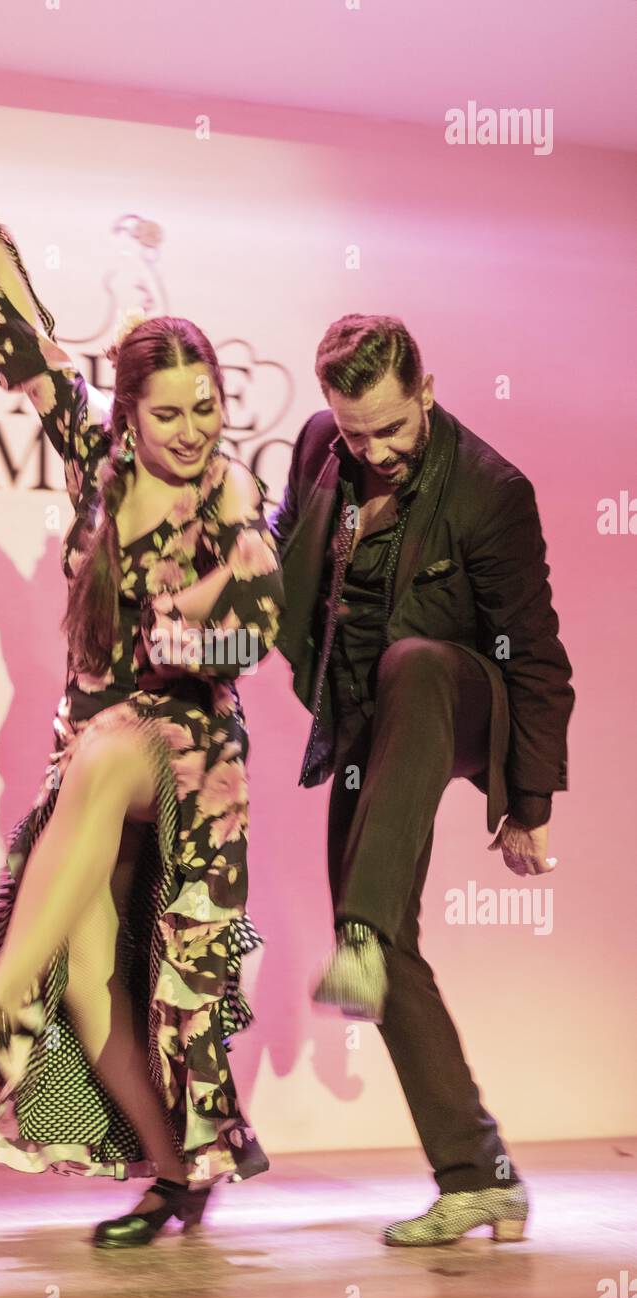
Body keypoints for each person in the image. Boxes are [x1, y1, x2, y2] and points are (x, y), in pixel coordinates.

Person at [0, 128, 283, 1248]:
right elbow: (17, 343)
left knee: (120, 746)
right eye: (166, 412)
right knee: (84, 981)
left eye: (205, 405)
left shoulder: (234, 501)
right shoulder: (96, 453)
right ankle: (172, 1176)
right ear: (124, 413)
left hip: (187, 766)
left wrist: (187, 643)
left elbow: (255, 639)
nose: (190, 429)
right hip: (93, 759)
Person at [270, 314, 574, 1246]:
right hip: (373, 719)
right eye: (358, 432)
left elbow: (537, 661)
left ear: (427, 391)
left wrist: (530, 806)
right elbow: (289, 549)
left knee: (419, 663)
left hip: (461, 693)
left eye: (393, 429)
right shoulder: (324, 444)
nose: (376, 449)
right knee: (382, 944)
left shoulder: (489, 492)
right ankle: (480, 1177)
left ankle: (362, 934)